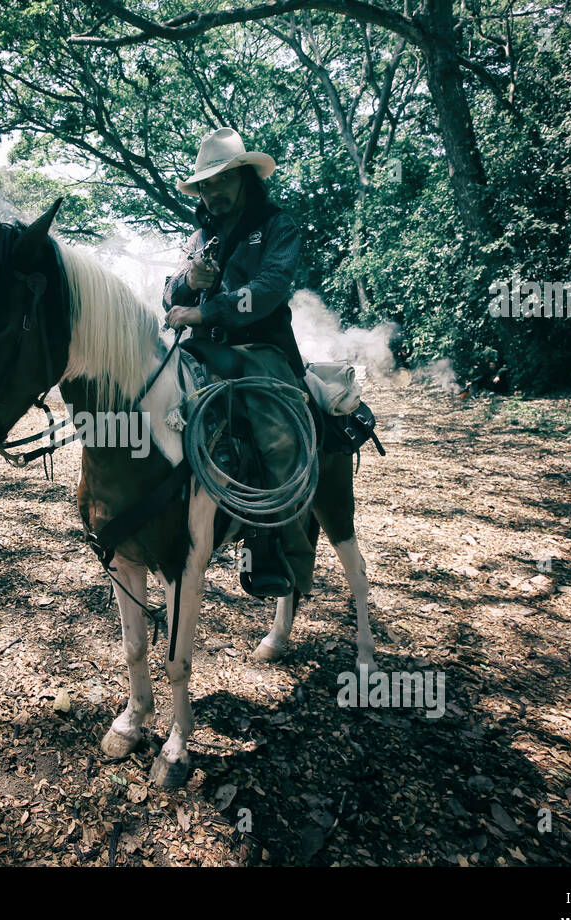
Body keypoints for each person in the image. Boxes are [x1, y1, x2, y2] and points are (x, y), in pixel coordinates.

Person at [162, 127, 314, 599]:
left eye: (221, 181)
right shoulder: (200, 234)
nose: (211, 192)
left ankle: (275, 547)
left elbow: (269, 291)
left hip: (260, 351)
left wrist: (207, 309)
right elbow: (169, 293)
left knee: (278, 440)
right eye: (205, 184)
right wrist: (191, 280)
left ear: (246, 178)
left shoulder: (277, 225)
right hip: (201, 349)